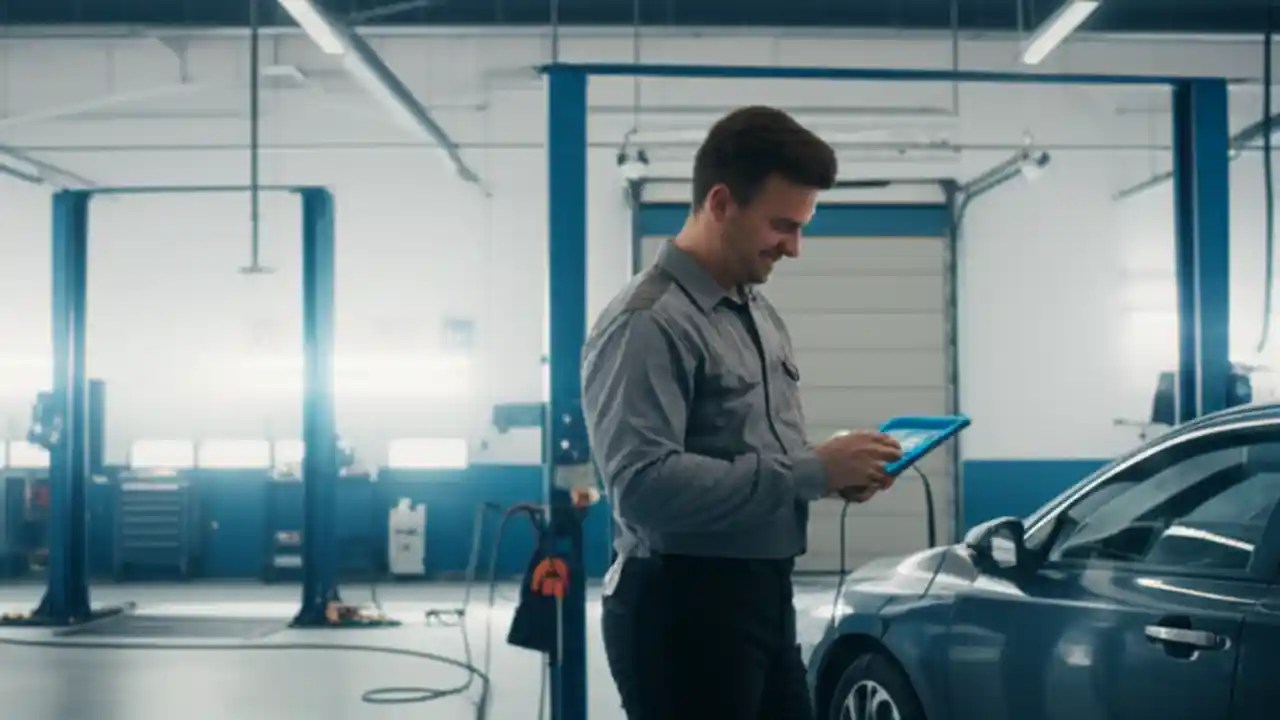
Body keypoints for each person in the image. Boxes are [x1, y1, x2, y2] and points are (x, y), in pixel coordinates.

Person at [581, 106, 905, 720]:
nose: (795, 248)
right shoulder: (648, 322)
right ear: (722, 203)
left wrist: (837, 473)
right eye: (783, 225)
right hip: (681, 610)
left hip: (761, 596)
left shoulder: (755, 311)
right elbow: (642, 487)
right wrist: (810, 472)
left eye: (803, 227)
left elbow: (751, 451)